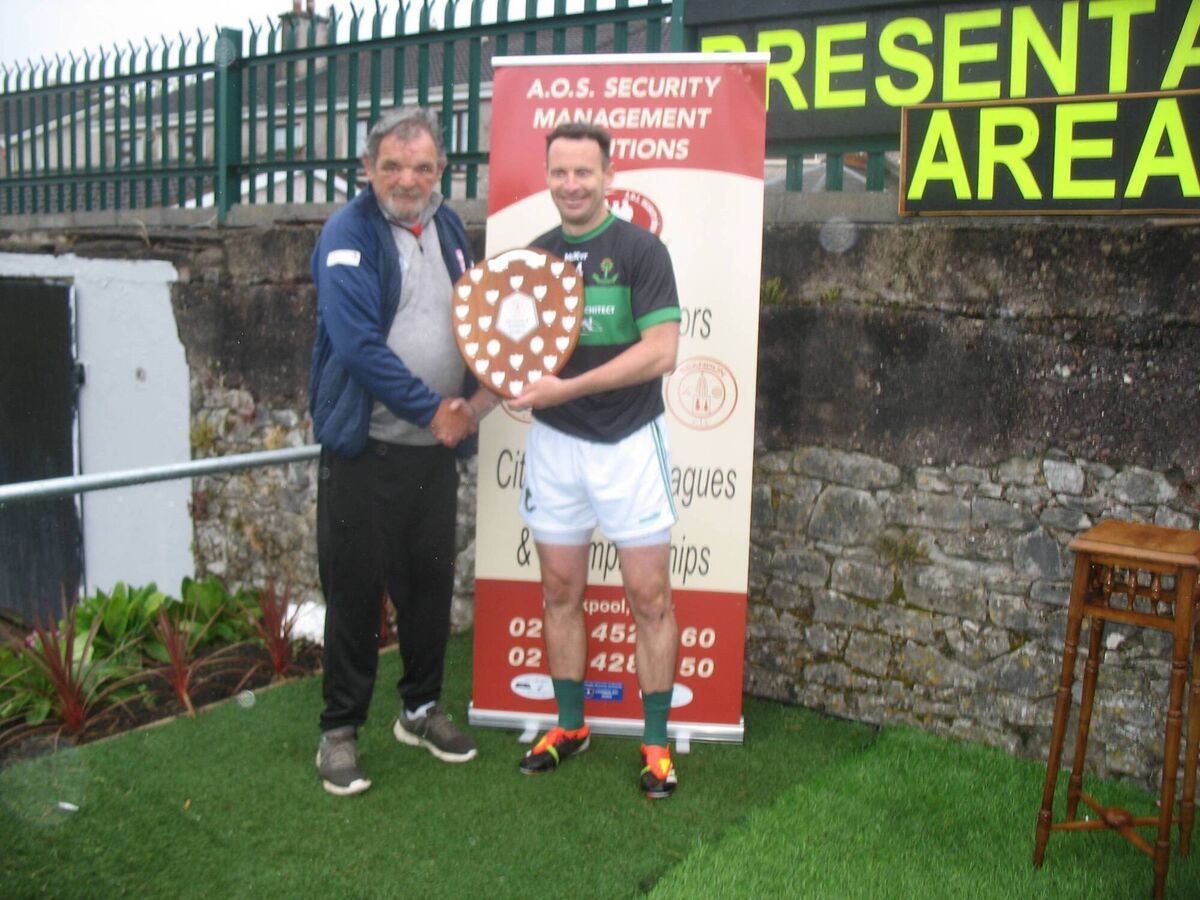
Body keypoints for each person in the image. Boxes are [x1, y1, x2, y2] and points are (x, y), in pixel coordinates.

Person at [309, 106, 493, 796]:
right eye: (392, 165)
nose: (407, 179)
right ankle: (339, 733)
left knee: (427, 588)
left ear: (441, 169)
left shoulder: (448, 228)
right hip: (367, 451)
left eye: (421, 166)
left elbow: (472, 319)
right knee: (355, 594)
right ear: (368, 169)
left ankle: (419, 710)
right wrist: (434, 410)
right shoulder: (347, 235)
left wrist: (478, 395)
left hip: (432, 455)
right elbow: (357, 343)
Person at [511, 122, 683, 799]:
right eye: (560, 173)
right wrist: (477, 402)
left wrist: (567, 388)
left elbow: (660, 351)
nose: (571, 185)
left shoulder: (641, 249)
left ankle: (656, 743)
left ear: (608, 176)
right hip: (554, 448)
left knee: (650, 598)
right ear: (547, 177)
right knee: (559, 593)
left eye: (584, 173)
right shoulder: (536, 255)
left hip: (627, 444)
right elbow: (512, 357)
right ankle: (571, 725)